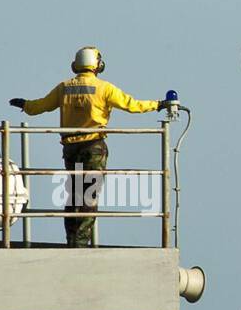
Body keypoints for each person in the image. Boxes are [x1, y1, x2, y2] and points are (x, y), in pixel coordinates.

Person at [9, 47, 170, 247]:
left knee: (74, 195)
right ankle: (81, 242)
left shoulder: (64, 87)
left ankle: (71, 240)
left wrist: (24, 104)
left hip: (70, 149)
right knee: (89, 195)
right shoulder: (104, 88)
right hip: (93, 148)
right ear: (98, 65)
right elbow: (132, 105)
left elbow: (40, 106)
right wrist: (158, 104)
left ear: (76, 65)